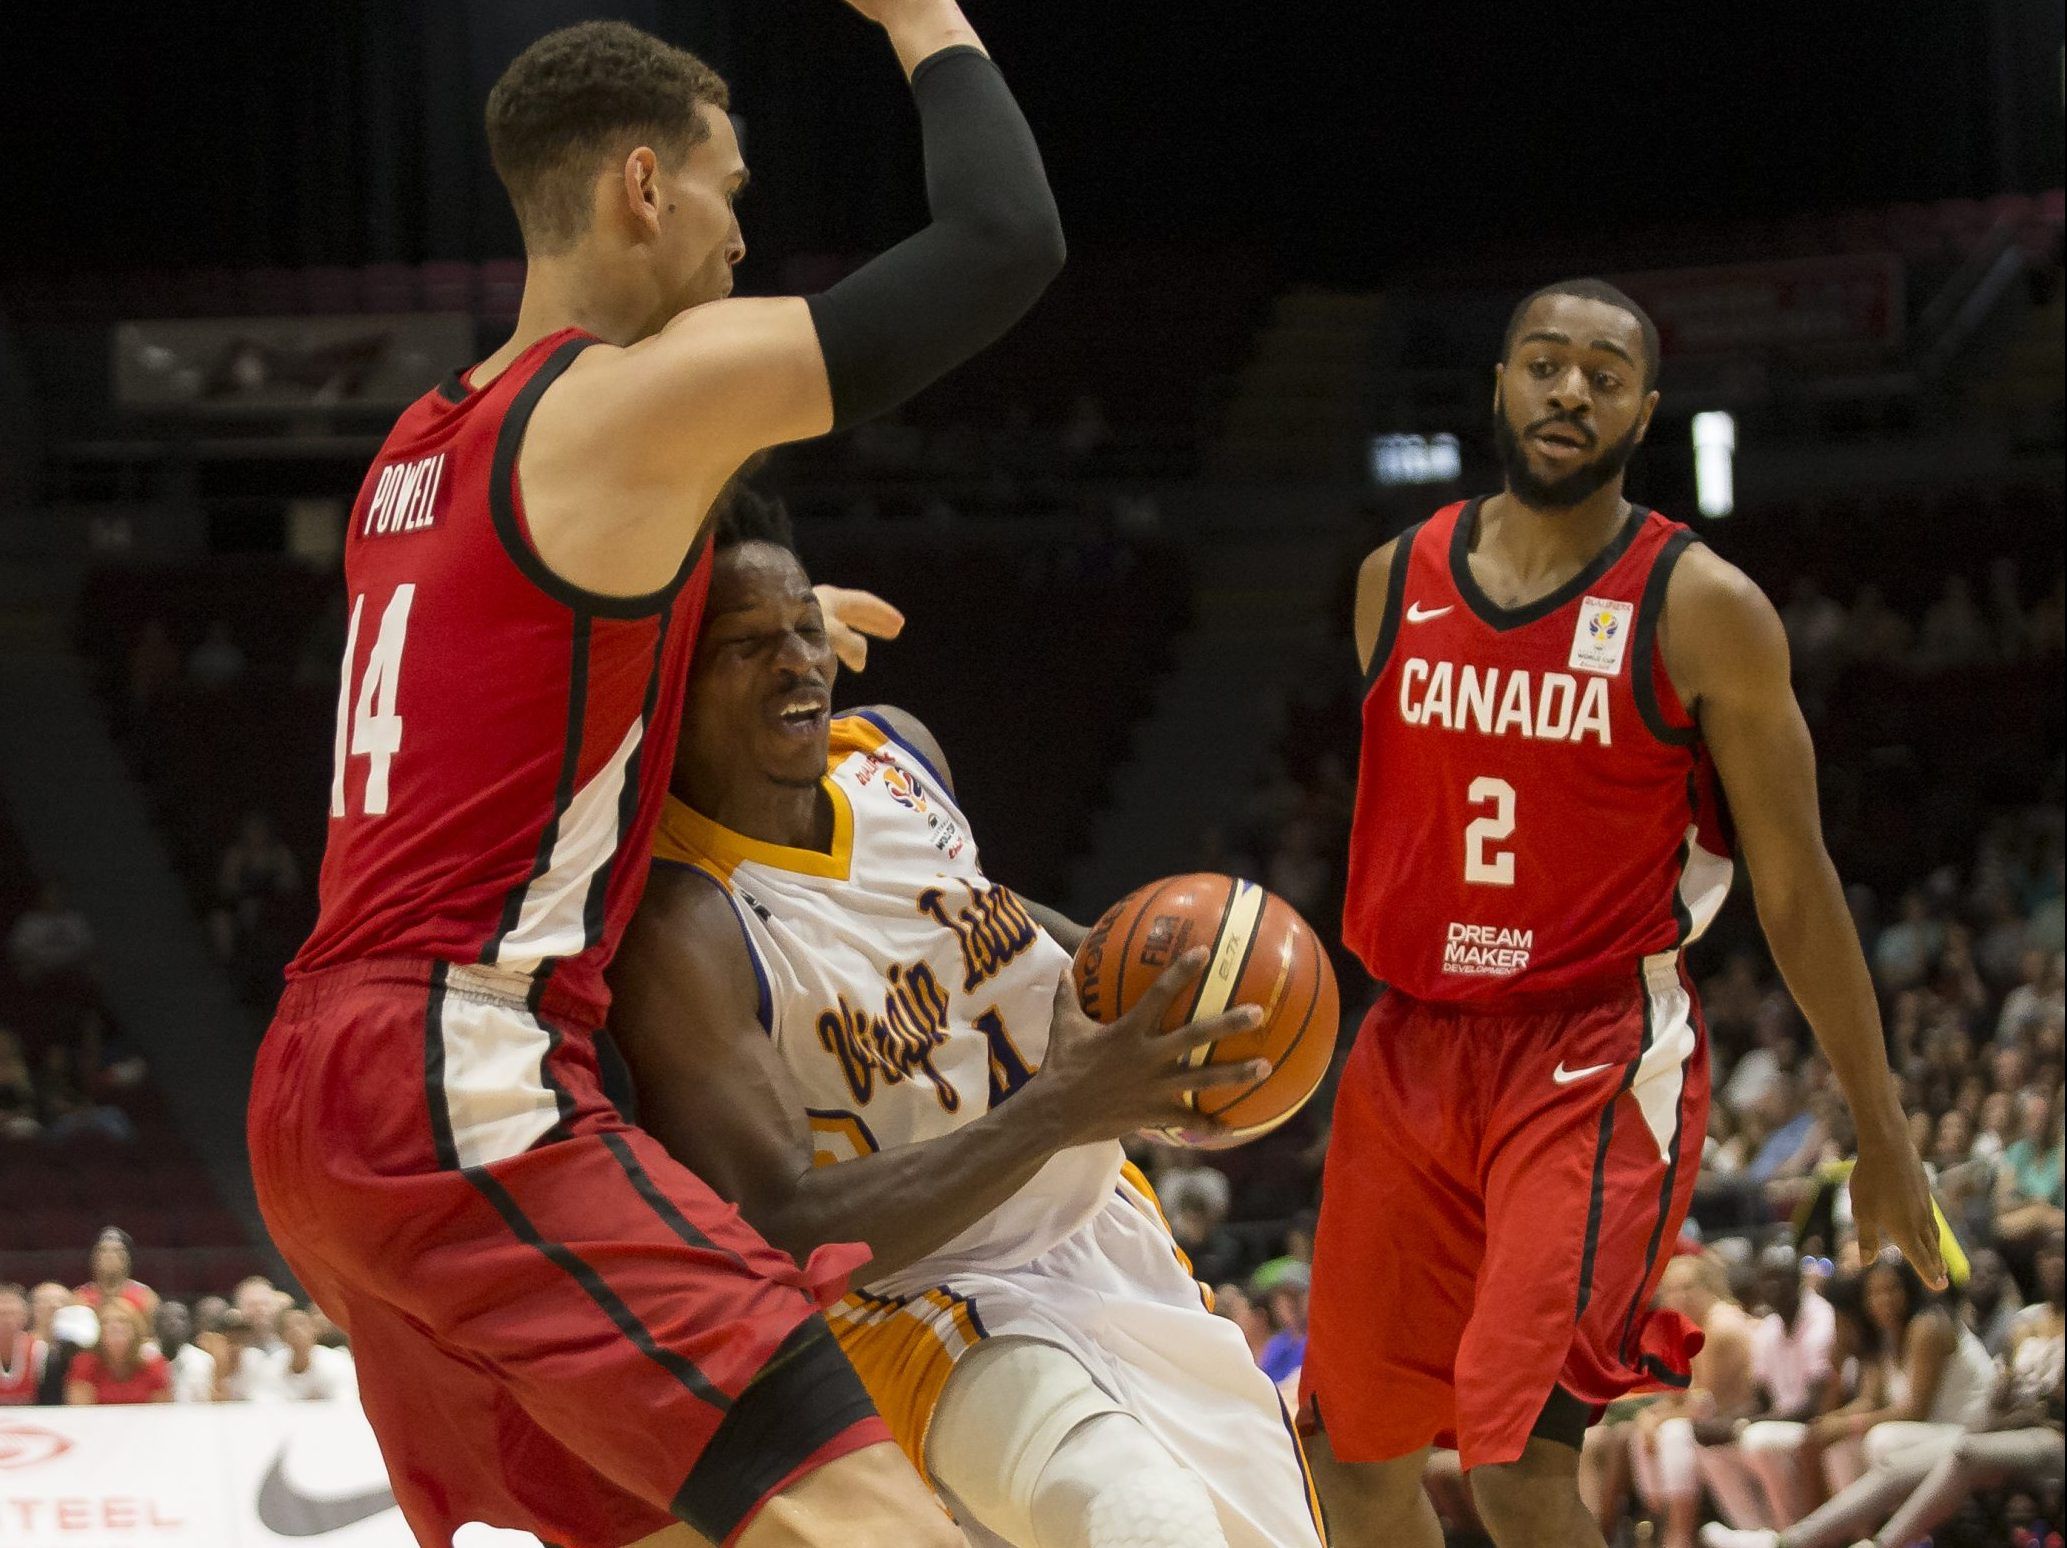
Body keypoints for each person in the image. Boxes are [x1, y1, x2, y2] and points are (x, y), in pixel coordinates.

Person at [245, 4, 1065, 1543]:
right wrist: (919, 15)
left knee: (688, 1528)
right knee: (876, 1513)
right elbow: (1002, 241)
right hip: (458, 1077)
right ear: (643, 187)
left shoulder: (417, 446)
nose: (743, 238)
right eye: (731, 192)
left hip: (316, 1088)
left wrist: (752, 621)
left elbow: (524, 688)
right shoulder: (624, 396)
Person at [1302, 277, 1945, 1548]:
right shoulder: (1394, 579)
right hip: (1410, 1043)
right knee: (1354, 1456)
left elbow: (1800, 884)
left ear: (1644, 411)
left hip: (1590, 1053)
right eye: (1544, 364)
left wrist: (1881, 1125)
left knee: (1516, 1459)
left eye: (1603, 374)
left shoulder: (1705, 607)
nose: (1569, 391)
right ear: (1499, 385)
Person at [609, 515, 1327, 1548]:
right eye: (745, 644)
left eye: (805, 625)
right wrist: (1066, 1107)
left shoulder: (898, 753)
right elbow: (781, 1228)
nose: (796, 660)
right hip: (921, 1297)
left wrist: (1161, 1004)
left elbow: (972, 908)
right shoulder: (687, 928)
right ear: (672, 681)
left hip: (1099, 1229)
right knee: (1138, 1515)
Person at [1701, 1235, 2066, 1548]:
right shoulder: (2026, 1324)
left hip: (2022, 1432)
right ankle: (1788, 1540)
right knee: (1876, 1455)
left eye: (1891, 1289)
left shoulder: (1929, 1326)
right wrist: (1834, 1420)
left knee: (1898, 1443)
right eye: (1874, 1292)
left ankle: (1880, 1543)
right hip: (1997, 1429)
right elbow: (2009, 1385)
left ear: (1909, 1287)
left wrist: (1848, 1423)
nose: (1883, 1299)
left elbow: (1915, 1410)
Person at [1624, 1255, 1759, 1548]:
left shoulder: (1721, 1326)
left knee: (1673, 1435)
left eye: (1687, 1287)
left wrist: (1658, 1419)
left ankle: (1679, 1532)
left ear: (1709, 1286)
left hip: (1741, 1417)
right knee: (1641, 1431)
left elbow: (1704, 1403)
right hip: (1716, 1419)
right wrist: (1652, 1416)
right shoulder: (1691, 1328)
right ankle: (1661, 1525)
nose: (1679, 1297)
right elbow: (1683, 1395)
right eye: (1671, 1289)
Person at [1709, 1247, 1840, 1529]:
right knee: (1709, 1446)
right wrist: (1724, 1422)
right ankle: (1755, 1531)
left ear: (1798, 1280)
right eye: (1767, 1280)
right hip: (1780, 1423)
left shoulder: (1821, 1319)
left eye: (1781, 1279)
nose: (1774, 1288)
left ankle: (1792, 1531)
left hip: (1816, 1424)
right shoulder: (1769, 1328)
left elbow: (1814, 1406)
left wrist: (1744, 1424)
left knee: (1759, 1439)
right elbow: (1761, 1399)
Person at [64, 1299, 170, 1405]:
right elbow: (80, 1413)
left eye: (122, 1320)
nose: (114, 1326)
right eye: (105, 1322)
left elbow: (161, 1412)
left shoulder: (154, 1363)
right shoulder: (84, 1363)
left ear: (135, 1328)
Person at [73, 1226, 159, 1322]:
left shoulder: (145, 1297)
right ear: (93, 1259)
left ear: (128, 1260)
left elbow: (154, 1335)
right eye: (102, 1251)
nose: (110, 1256)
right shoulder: (80, 1298)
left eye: (117, 1251)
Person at [153, 1300, 217, 1404]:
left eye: (181, 1318)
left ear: (190, 1326)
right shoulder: (143, 1357)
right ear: (155, 1325)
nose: (173, 1322)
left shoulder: (203, 1360)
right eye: (166, 1318)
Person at [0, 1284, 46, 1405]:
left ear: (25, 1317)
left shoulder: (40, 1350)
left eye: (12, 1313)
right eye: (2, 1314)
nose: (7, 1320)